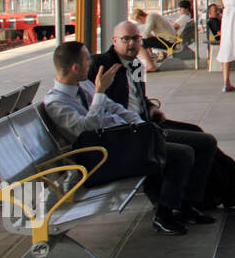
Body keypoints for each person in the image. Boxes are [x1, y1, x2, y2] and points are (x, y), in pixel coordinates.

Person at [91, 22, 235, 210]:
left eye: (135, 38)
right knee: (198, 142)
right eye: (126, 39)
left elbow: (142, 97)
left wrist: (149, 108)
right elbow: (91, 99)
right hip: (130, 132)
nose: (131, 43)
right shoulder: (101, 65)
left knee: (196, 132)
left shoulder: (137, 66)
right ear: (114, 41)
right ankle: (232, 188)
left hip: (146, 123)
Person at [41, 41, 213, 235]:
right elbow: (87, 131)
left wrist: (140, 124)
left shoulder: (91, 82)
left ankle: (187, 204)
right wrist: (99, 92)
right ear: (75, 67)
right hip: (105, 154)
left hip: (127, 136)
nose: (90, 63)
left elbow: (113, 106)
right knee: (182, 154)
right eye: (86, 60)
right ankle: (164, 214)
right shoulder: (56, 103)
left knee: (204, 142)